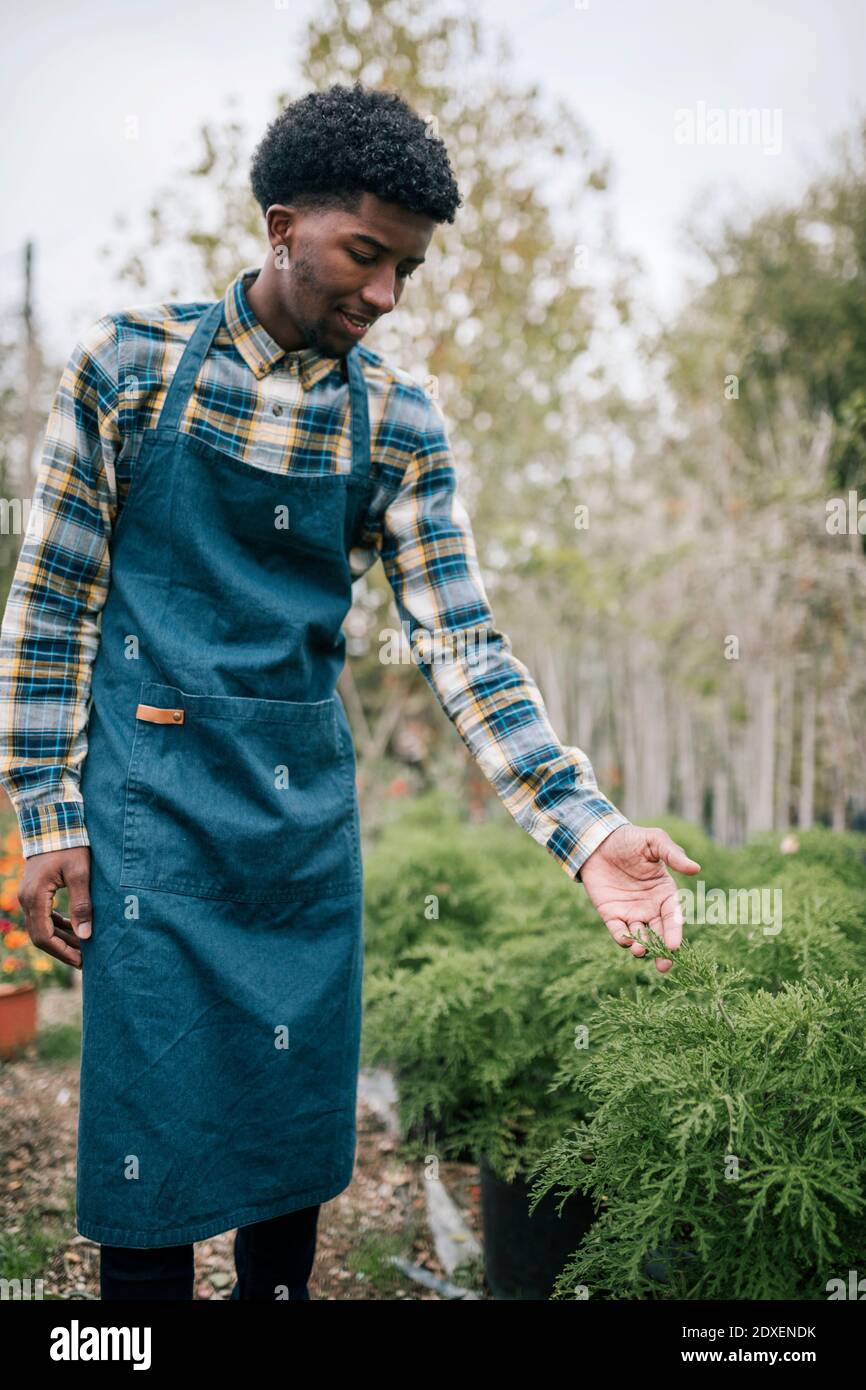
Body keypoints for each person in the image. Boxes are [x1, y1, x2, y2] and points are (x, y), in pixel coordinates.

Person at [0, 81, 699, 1301]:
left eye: (405, 272)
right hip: (148, 816)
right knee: (146, 1155)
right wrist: (47, 817)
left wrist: (583, 831)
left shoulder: (398, 421)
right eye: (363, 256)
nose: (381, 297)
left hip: (297, 837)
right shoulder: (130, 367)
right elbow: (52, 604)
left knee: (287, 1153)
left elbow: (462, 642)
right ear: (281, 226)